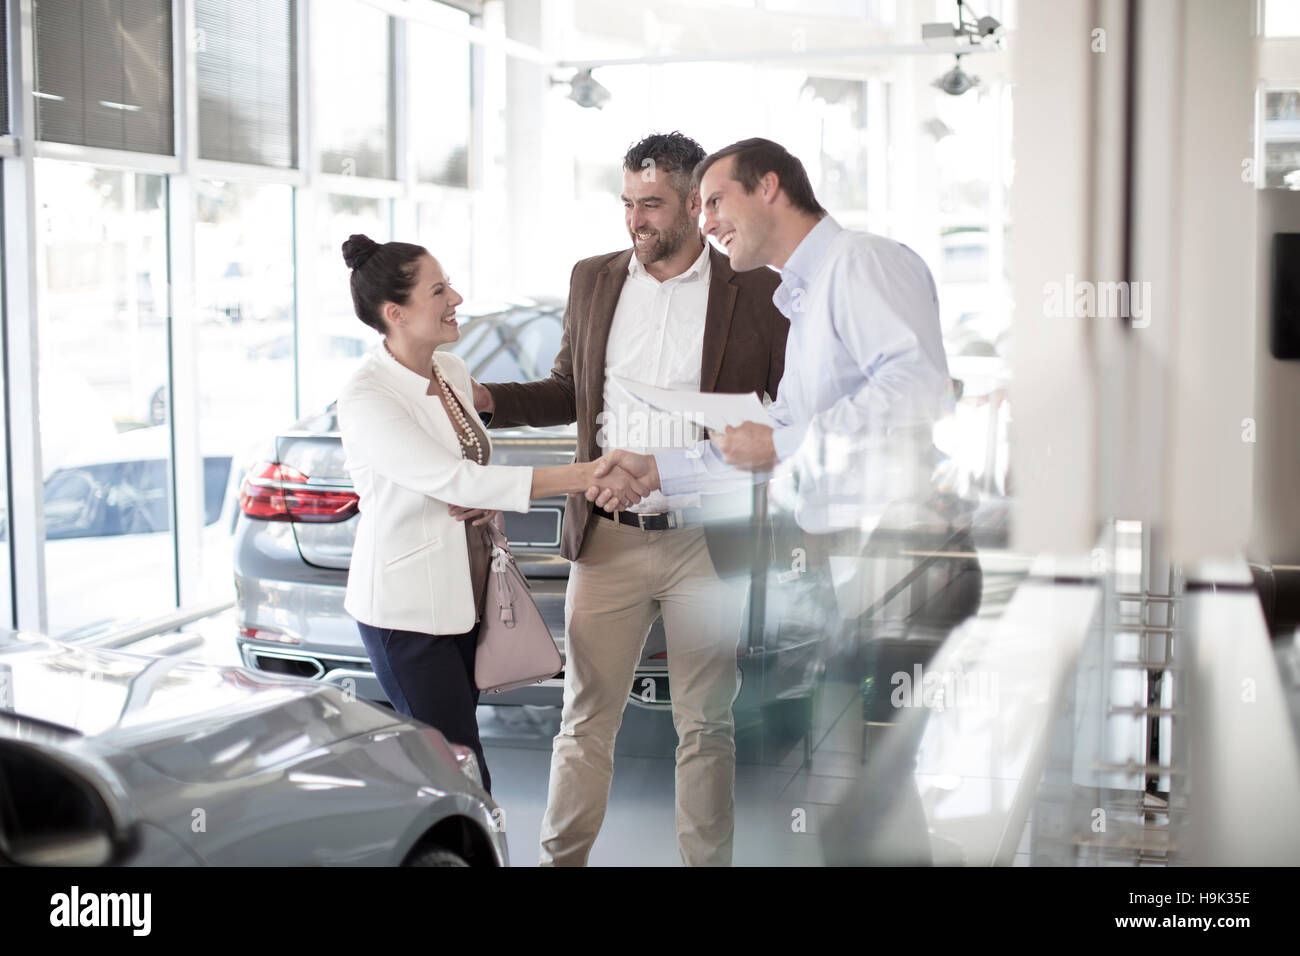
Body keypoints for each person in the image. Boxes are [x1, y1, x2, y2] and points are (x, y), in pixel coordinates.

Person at [470, 132, 789, 866]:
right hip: (608, 540)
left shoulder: (756, 287)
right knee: (584, 719)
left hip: (707, 540)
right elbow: (565, 389)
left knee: (706, 724)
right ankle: (561, 861)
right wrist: (490, 398)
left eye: (652, 205)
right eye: (627, 204)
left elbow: (788, 405)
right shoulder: (593, 280)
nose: (636, 220)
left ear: (691, 205)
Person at [334, 234, 647, 794]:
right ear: (395, 313)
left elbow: (470, 468)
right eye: (438, 290)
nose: (456, 296)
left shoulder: (450, 371)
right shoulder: (368, 397)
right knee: (459, 769)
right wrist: (587, 473)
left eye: (449, 283)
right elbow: (456, 480)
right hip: (406, 614)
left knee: (454, 762)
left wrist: (488, 505)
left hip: (462, 596)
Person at [591, 137, 952, 520]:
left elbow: (917, 388)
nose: (707, 224)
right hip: (852, 550)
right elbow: (777, 431)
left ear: (767, 187)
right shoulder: (805, 295)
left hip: (895, 540)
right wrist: (657, 471)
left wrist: (780, 444)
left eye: (715, 202)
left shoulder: (859, 261)